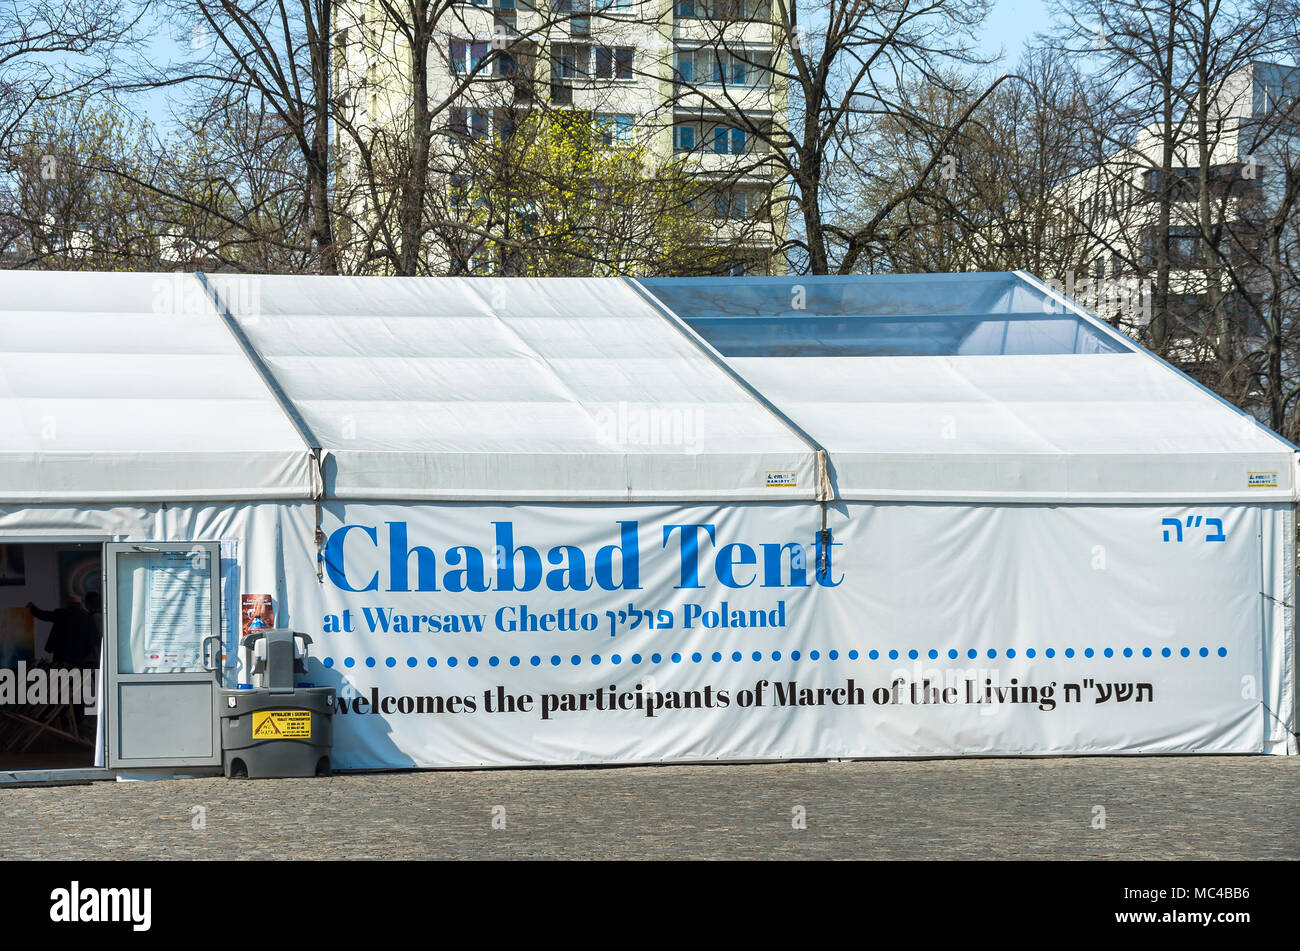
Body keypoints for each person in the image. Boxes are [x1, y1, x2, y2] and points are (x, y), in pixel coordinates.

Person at [27, 595, 98, 669]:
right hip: (80, 655)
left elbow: (44, 615)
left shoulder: (61, 613)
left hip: (61, 653)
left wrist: (32, 608)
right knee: (77, 678)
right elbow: (91, 638)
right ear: (80, 604)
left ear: (68, 604)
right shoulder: (87, 617)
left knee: (60, 676)